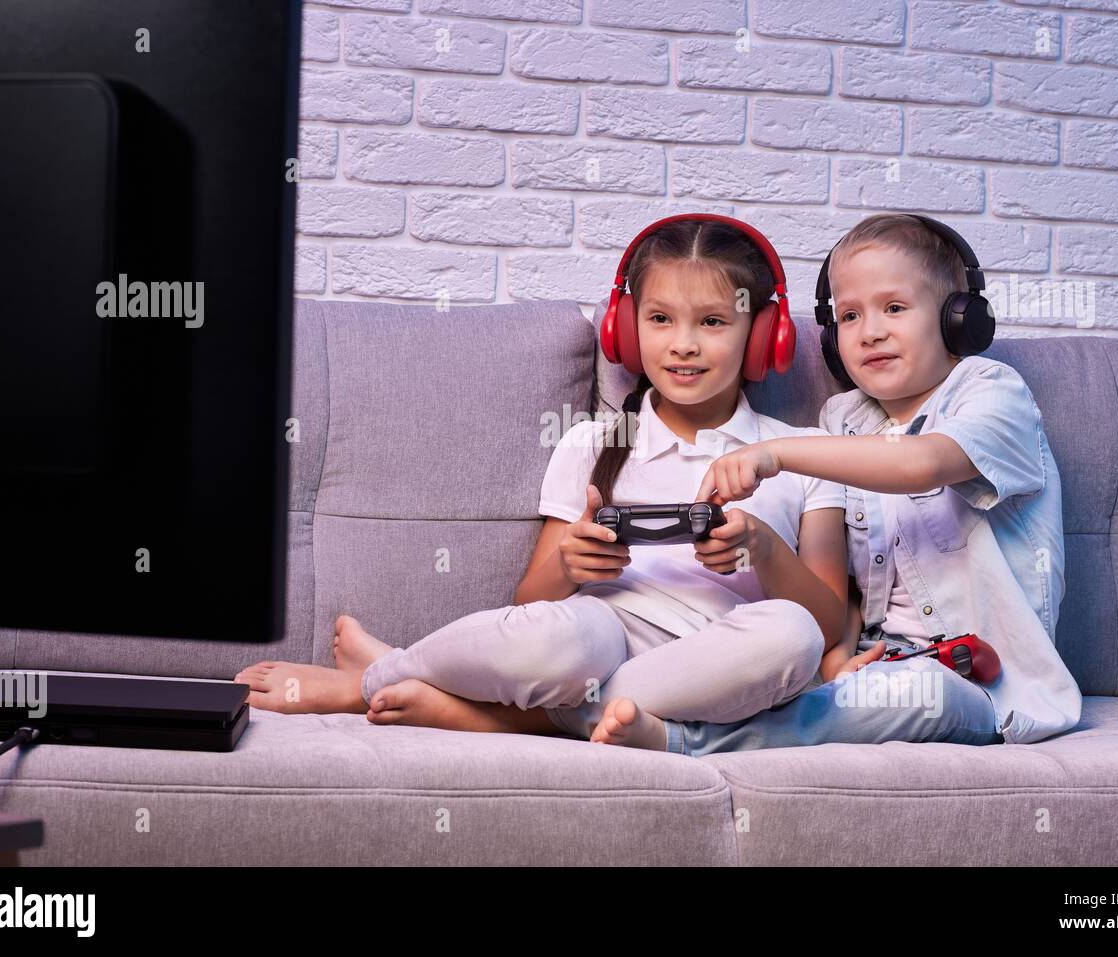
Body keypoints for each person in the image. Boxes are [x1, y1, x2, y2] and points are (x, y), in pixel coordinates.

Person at [234, 215, 850, 752]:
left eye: (713, 321)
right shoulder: (592, 442)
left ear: (764, 335)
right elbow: (530, 605)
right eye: (661, 319)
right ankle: (387, 677)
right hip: (602, 633)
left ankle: (460, 705)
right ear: (628, 330)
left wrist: (765, 549)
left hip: (717, 657)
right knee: (561, 639)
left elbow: (823, 626)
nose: (683, 345)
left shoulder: (810, 453)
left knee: (790, 636)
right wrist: (574, 564)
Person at [596, 213, 1084, 754]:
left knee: (925, 694)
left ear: (958, 321)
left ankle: (682, 739)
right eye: (850, 316)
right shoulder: (842, 419)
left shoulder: (993, 392)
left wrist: (775, 455)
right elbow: (850, 586)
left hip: (988, 685)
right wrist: (837, 661)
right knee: (810, 670)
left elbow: (920, 463)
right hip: (879, 660)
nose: (870, 331)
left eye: (894, 308)